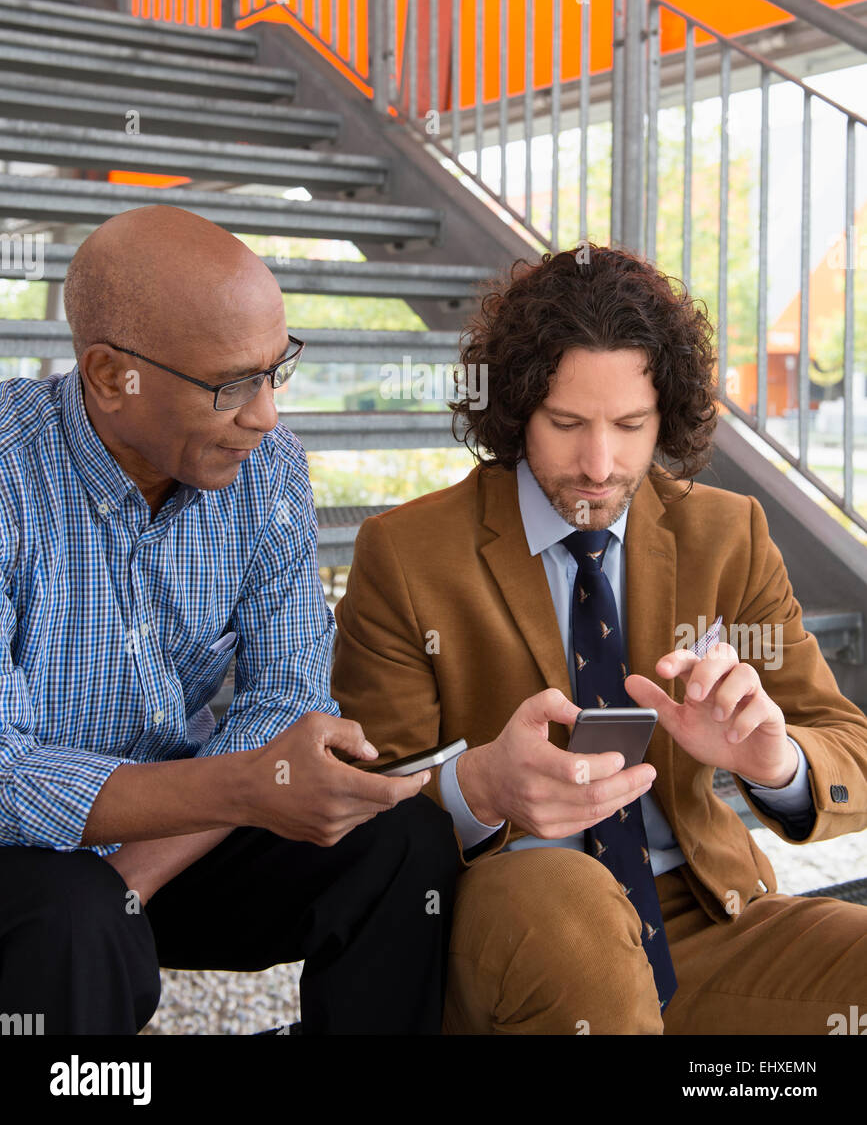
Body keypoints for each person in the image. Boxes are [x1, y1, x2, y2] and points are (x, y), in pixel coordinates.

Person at [331, 242, 867, 1035]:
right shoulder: (407, 555)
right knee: (576, 922)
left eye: (629, 425)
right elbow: (361, 818)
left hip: (703, 919)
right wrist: (479, 786)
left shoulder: (727, 535)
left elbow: (849, 753)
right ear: (516, 409)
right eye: (566, 423)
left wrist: (774, 759)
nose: (598, 462)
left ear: (666, 415)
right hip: (507, 914)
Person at [0, 204, 458, 1036]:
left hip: (174, 846)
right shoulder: (7, 476)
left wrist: (135, 879)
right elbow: (4, 775)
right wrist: (242, 789)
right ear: (110, 376)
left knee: (404, 844)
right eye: (230, 385)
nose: (266, 415)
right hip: (23, 870)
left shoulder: (266, 471)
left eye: (275, 370)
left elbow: (285, 696)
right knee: (71, 921)